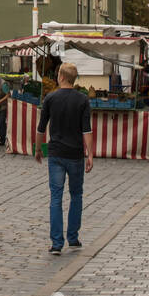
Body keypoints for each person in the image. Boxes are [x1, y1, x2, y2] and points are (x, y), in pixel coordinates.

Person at [35, 62, 93, 254]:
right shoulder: (83, 100)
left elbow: (41, 128)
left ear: (60, 76)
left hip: (56, 154)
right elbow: (86, 130)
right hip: (75, 154)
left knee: (56, 197)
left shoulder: (50, 98)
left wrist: (38, 148)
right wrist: (90, 153)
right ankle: (73, 238)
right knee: (76, 195)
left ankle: (57, 243)